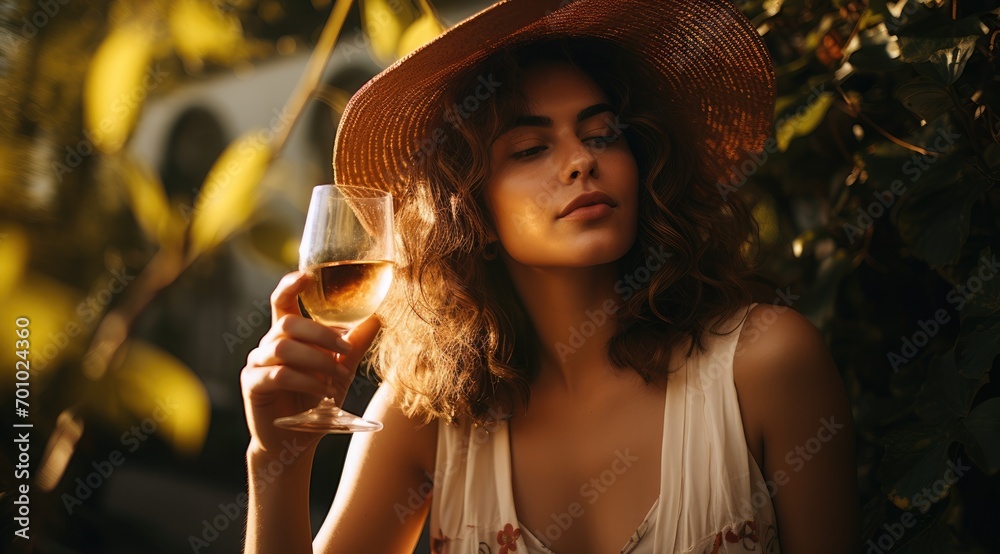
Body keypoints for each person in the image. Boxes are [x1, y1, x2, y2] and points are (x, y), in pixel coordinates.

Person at [240, 0, 860, 552]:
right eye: (531, 149)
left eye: (602, 134)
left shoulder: (766, 365)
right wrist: (277, 461)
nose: (582, 159)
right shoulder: (427, 417)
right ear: (470, 211)